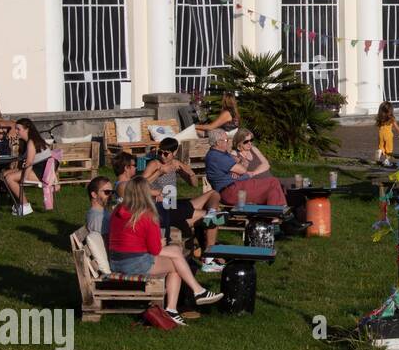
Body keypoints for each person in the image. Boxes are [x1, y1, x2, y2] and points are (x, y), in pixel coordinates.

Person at [107, 177, 222, 327]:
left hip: (116, 260)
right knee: (177, 266)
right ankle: (183, 301)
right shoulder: (147, 215)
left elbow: (129, 238)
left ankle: (193, 294)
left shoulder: (117, 210)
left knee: (176, 252)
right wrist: (159, 243)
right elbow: (155, 250)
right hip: (135, 263)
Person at [145, 138, 225, 268]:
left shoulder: (175, 163)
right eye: (160, 152)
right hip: (163, 207)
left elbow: (193, 185)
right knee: (214, 218)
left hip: (173, 203)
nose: (162, 156)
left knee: (214, 194)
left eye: (166, 153)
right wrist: (160, 172)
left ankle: (212, 213)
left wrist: (188, 171)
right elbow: (139, 185)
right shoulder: (155, 164)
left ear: (174, 152)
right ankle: (209, 255)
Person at [204, 129, 287, 206]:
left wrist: (239, 163)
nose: (228, 142)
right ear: (218, 142)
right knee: (273, 182)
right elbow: (243, 170)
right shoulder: (217, 156)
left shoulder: (221, 153)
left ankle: (276, 215)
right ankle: (278, 213)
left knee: (274, 186)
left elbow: (240, 162)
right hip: (231, 190)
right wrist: (241, 167)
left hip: (235, 187)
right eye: (226, 140)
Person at [1, 118, 51, 216]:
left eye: (18, 129)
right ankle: (18, 203)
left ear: (27, 129)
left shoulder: (31, 142)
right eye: (15, 129)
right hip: (38, 169)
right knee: (5, 174)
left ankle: (25, 206)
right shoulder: (32, 141)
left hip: (40, 173)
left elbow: (28, 163)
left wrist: (23, 179)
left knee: (9, 178)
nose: (16, 131)